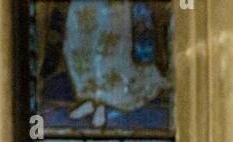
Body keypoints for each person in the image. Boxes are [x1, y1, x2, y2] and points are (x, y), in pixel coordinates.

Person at [63, 0, 166, 128]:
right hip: (83, 6)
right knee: (79, 49)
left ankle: (103, 104)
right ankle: (89, 98)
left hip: (112, 7)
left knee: (109, 51)